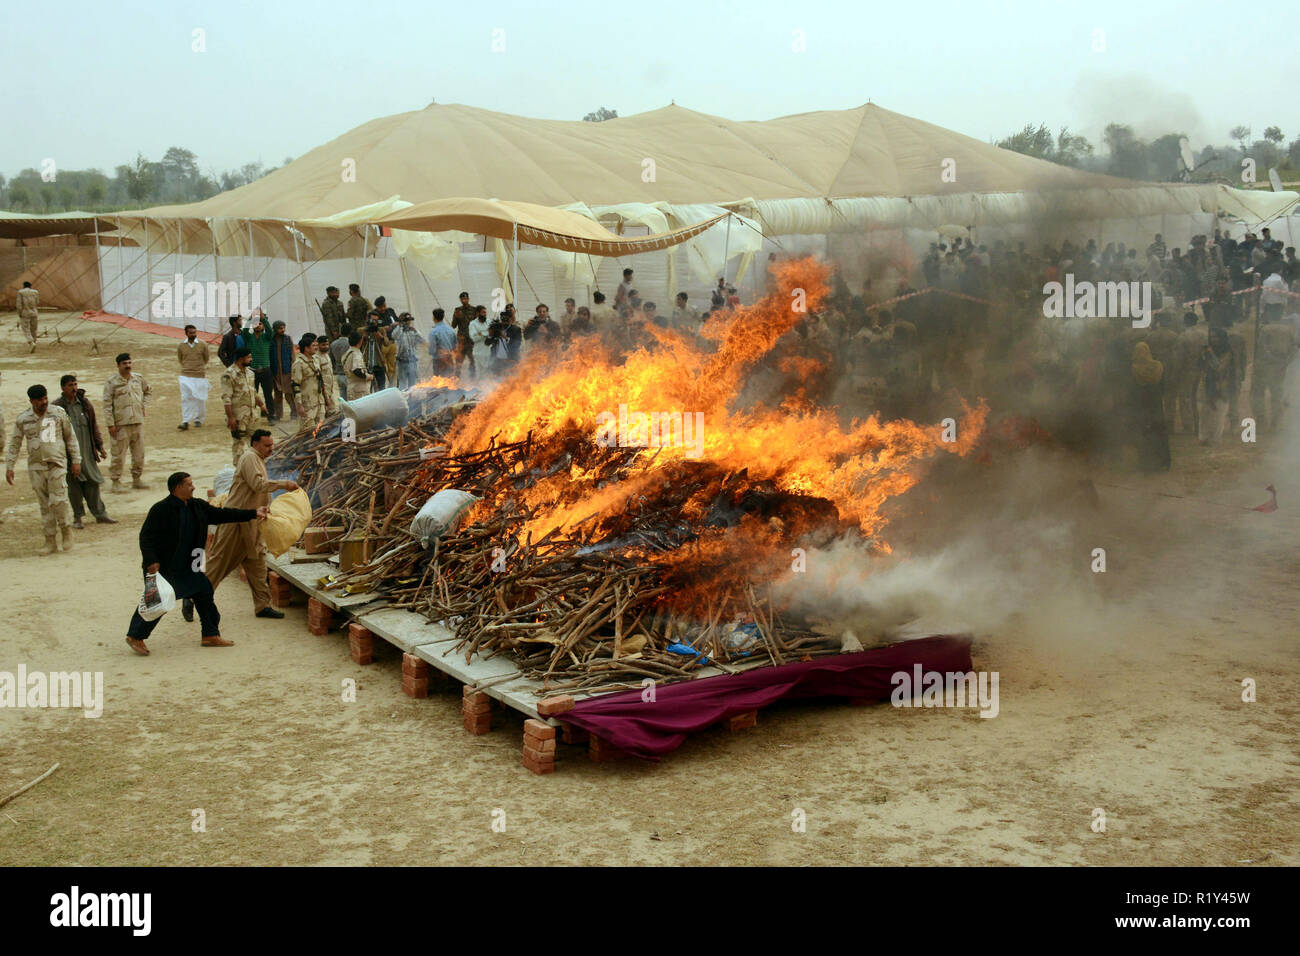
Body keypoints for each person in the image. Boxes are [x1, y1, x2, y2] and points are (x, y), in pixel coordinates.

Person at [125, 471, 267, 656]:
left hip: (192, 562)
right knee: (157, 602)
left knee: (205, 592)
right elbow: (146, 537)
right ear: (178, 488)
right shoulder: (161, 509)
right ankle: (135, 636)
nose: (193, 487)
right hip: (165, 566)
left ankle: (210, 635)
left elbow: (222, 514)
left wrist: (254, 513)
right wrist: (151, 561)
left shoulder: (197, 506)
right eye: (189, 484)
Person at [205, 429, 298, 620]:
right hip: (236, 521)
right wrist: (283, 484)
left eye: (272, 445)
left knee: (257, 564)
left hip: (254, 521)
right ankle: (195, 597)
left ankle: (263, 606)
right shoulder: (249, 458)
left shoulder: (259, 459)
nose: (271, 449)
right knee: (219, 563)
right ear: (255, 444)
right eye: (267, 445)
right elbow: (258, 485)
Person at [6, 384, 79, 554]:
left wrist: (76, 460)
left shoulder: (58, 413)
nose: (44, 402)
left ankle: (66, 531)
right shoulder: (23, 419)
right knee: (45, 505)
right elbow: (14, 444)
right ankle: (50, 540)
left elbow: (71, 438)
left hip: (57, 464)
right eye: (39, 400)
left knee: (59, 501)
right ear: (31, 401)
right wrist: (10, 466)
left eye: (45, 398)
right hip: (36, 467)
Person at [53, 374, 116, 528]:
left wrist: (100, 447)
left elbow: (93, 426)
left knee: (93, 483)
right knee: (74, 487)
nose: (74, 388)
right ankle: (78, 517)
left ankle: (100, 514)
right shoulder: (57, 407)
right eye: (70, 385)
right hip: (69, 456)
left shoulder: (85, 404)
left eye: (75, 384)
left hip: (87, 453)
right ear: (63, 388)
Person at [103, 352, 152, 492]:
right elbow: (107, 405)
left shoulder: (138, 379)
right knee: (118, 454)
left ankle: (137, 479)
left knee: (139, 454)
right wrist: (110, 424)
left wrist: (143, 405)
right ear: (118, 365)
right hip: (121, 424)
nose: (128, 366)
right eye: (124, 364)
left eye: (129, 363)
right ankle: (116, 481)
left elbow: (148, 391)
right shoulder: (112, 382)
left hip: (137, 422)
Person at [221, 346, 268, 467]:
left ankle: (257, 466)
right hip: (238, 416)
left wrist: (262, 405)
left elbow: (253, 392)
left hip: (252, 415)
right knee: (239, 445)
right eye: (249, 357)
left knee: (257, 442)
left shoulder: (250, 373)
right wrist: (230, 418)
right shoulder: (229, 374)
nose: (251, 359)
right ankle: (239, 470)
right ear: (241, 358)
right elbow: (226, 398)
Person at [1252, 312, 1296, 432]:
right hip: (1280, 367)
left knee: (1258, 394)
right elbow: (1294, 348)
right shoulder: (1288, 330)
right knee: (1277, 395)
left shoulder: (1264, 329)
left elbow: (1260, 347)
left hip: (1263, 365)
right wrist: (1286, 362)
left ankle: (1261, 422)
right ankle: (1275, 423)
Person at [1129, 342, 1171, 471]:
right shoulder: (1158, 366)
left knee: (1144, 431)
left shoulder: (1134, 368)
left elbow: (1132, 388)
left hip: (1141, 402)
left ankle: (1146, 462)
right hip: (1156, 401)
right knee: (1159, 430)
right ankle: (1163, 461)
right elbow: (1164, 386)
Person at [1196, 327, 1236, 445]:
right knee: (1204, 413)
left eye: (1216, 337)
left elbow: (1223, 369)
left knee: (1219, 414)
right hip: (1205, 384)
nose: (1214, 339)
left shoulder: (1228, 352)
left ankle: (1215, 439)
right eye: (1212, 337)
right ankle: (1203, 438)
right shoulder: (1206, 351)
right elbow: (1199, 365)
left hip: (1222, 386)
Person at [176, 323, 210, 430]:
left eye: (195, 332)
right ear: (186, 333)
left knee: (200, 398)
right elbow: (180, 359)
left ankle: (198, 419)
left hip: (199, 375)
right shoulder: (181, 346)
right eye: (191, 333)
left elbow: (206, 359)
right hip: (185, 376)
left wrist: (198, 367)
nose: (193, 334)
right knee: (185, 398)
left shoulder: (203, 344)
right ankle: (185, 421)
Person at [291, 334, 327, 431]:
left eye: (316, 345)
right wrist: (299, 405)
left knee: (321, 428)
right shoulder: (299, 363)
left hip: (319, 400)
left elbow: (319, 379)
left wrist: (325, 398)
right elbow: (295, 385)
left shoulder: (316, 360)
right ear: (306, 348)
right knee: (307, 430)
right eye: (313, 346)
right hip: (307, 403)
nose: (316, 347)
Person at [245, 311, 274, 418]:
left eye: (260, 323)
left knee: (268, 395)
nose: (258, 325)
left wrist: (263, 318)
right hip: (252, 371)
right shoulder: (249, 337)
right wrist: (250, 318)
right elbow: (244, 329)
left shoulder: (267, 337)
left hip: (266, 370)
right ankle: (252, 416)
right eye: (256, 323)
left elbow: (270, 330)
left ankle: (271, 416)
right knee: (252, 395)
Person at [267, 320, 296, 422]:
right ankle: (278, 415)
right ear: (274, 329)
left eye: (283, 328)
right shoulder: (271, 340)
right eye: (280, 328)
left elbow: (292, 354)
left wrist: (293, 368)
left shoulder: (288, 339)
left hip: (286, 371)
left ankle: (294, 413)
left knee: (289, 394)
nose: (282, 330)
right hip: (275, 372)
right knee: (278, 395)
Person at [392, 313, 422, 389]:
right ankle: (402, 399)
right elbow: (394, 336)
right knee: (402, 384)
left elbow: (422, 340)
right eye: (406, 320)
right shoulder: (399, 330)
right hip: (402, 362)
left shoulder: (412, 331)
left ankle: (412, 400)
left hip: (412, 361)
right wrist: (400, 325)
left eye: (409, 320)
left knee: (413, 385)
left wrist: (416, 331)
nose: (408, 322)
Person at [342, 330, 373, 399]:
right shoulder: (356, 354)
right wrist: (368, 376)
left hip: (351, 386)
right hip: (359, 389)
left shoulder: (347, 353)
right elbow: (357, 370)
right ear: (360, 341)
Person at [427, 308, 458, 376]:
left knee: (439, 383)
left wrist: (431, 352)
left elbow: (432, 350)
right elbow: (456, 346)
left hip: (439, 361)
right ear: (443, 317)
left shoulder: (433, 332)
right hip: (449, 359)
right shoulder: (451, 330)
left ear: (433, 317)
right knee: (450, 382)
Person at [361, 321, 388, 391]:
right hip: (367, 363)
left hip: (379, 363)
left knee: (381, 387)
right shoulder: (362, 330)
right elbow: (358, 344)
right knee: (367, 387)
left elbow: (387, 343)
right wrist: (364, 337)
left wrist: (381, 337)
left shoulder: (381, 330)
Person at [329, 323, 351, 399]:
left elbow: (331, 359)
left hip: (338, 373)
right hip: (348, 374)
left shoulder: (333, 344)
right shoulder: (350, 344)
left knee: (342, 396)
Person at [17, 281, 39, 350]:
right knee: (34, 329)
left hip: (25, 312)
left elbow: (19, 305)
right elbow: (37, 302)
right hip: (34, 312)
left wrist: (19, 314)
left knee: (26, 329)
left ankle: (31, 342)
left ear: (23, 286)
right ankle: (34, 342)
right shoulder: (35, 292)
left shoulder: (20, 292)